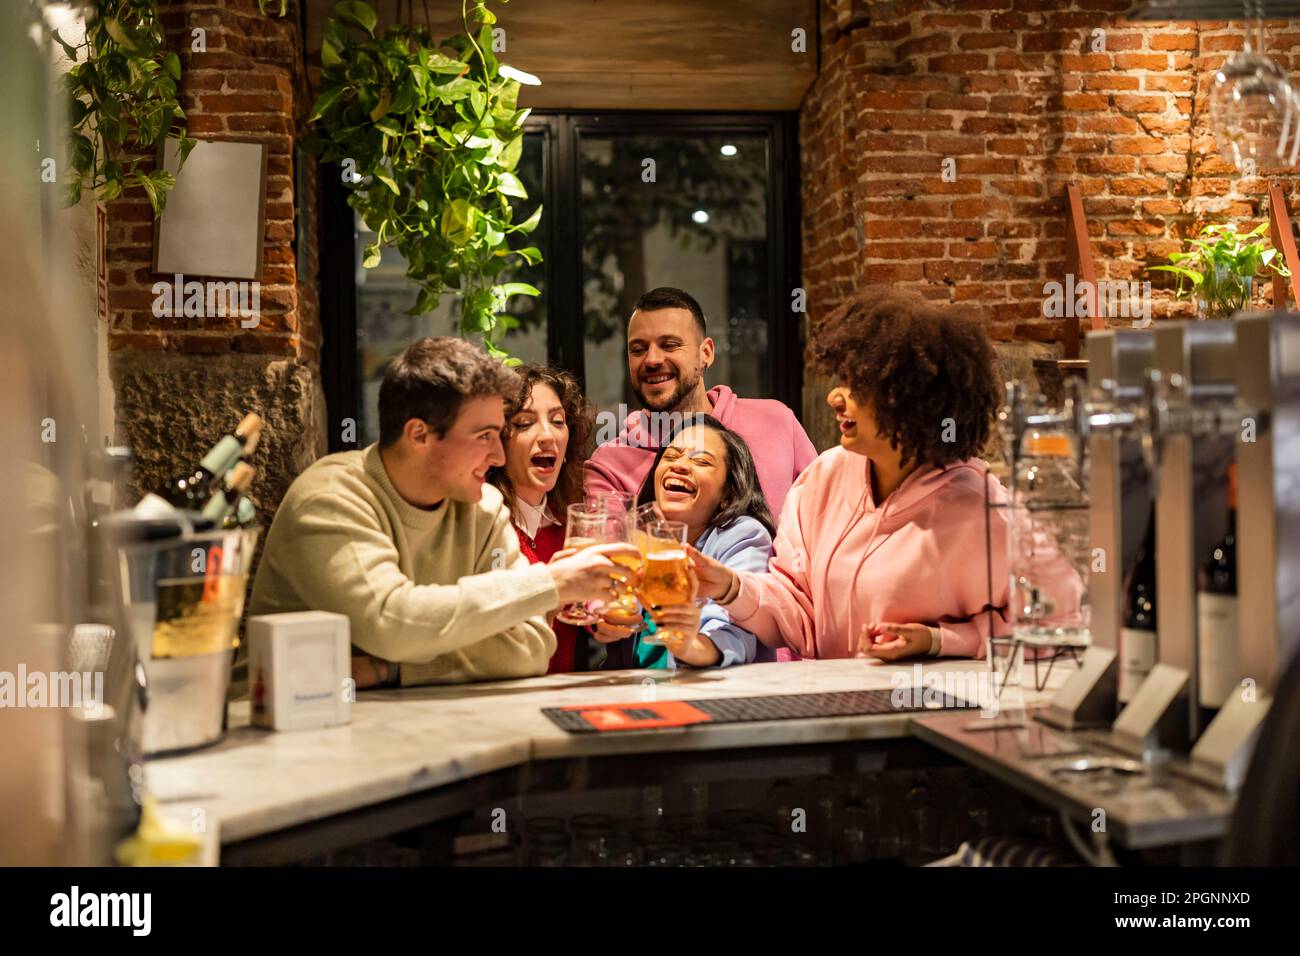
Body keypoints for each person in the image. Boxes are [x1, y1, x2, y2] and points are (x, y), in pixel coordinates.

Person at [245, 337, 632, 690]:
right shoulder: (333, 497)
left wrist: (387, 671)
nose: (497, 456)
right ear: (419, 435)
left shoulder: (483, 508)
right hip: (278, 733)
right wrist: (549, 582)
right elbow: (392, 622)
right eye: (484, 437)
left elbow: (530, 648)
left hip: (409, 723)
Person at [688, 290, 1022, 662]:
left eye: (856, 386)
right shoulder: (823, 479)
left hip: (931, 713)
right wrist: (731, 588)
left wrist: (938, 640)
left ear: (910, 398)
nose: (834, 396)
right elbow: (799, 612)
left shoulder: (981, 509)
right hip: (835, 711)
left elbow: (1053, 624)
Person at [585, 287, 817, 521]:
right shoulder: (608, 465)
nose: (652, 360)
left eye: (669, 345)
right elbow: (609, 552)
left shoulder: (776, 421)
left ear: (705, 353)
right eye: (638, 349)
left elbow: (823, 519)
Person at [602, 416, 775, 669]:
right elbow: (612, 606)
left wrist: (689, 646)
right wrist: (607, 619)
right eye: (671, 457)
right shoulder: (639, 537)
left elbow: (735, 634)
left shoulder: (743, 535)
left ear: (728, 493)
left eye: (701, 461)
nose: (680, 466)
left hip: (709, 697)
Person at [486, 364, 594, 673]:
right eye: (524, 423)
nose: (547, 435)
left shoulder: (572, 523)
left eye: (558, 421)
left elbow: (587, 611)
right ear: (496, 439)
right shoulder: (479, 524)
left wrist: (604, 622)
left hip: (558, 703)